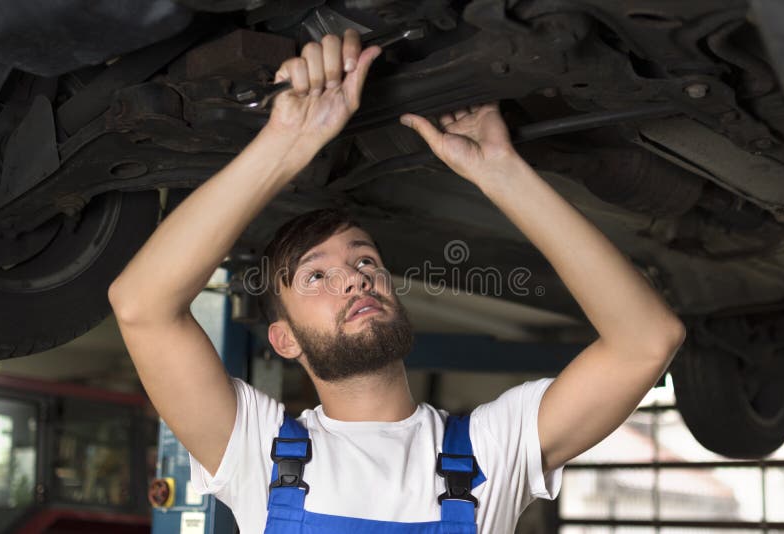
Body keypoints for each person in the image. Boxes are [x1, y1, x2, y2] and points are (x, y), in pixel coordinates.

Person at [108, 29, 686, 534]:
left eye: (365, 262)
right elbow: (140, 305)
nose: (356, 280)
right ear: (284, 339)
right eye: (316, 275)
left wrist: (502, 172)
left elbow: (646, 340)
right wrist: (286, 141)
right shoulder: (256, 452)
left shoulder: (491, 449)